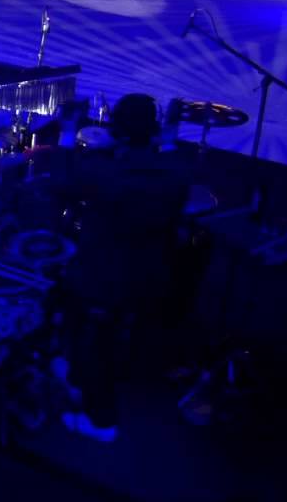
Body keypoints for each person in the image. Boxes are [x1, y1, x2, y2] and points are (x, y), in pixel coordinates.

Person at [49, 93, 191, 442]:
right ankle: (78, 373)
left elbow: (62, 183)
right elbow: (172, 159)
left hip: (101, 276)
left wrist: (67, 132)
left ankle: (102, 421)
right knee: (104, 335)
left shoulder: (105, 172)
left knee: (95, 342)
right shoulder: (175, 172)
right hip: (149, 276)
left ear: (118, 132)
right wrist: (170, 135)